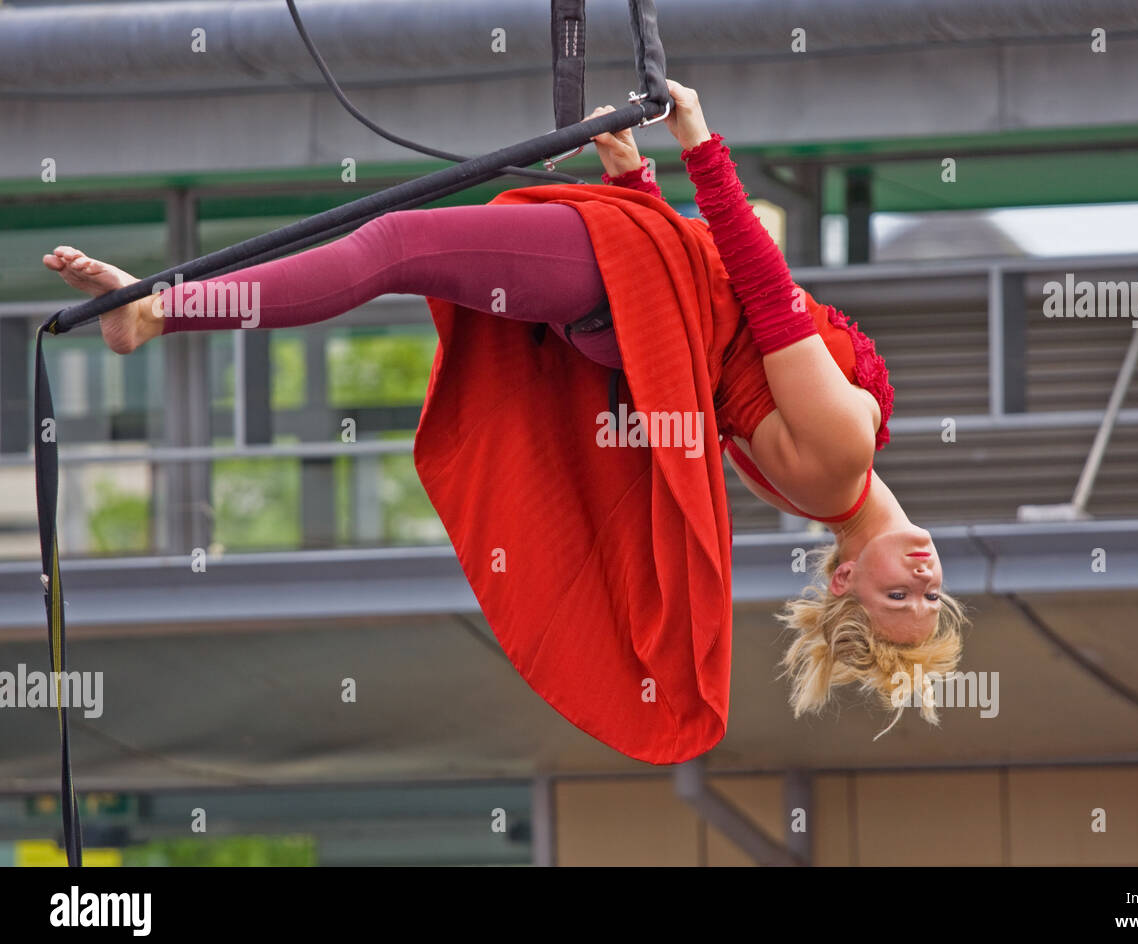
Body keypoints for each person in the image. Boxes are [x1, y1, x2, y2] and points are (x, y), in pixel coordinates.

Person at [43, 79, 967, 759]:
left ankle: (157, 312)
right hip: (642, 282)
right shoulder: (829, 471)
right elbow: (709, 342)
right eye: (931, 597)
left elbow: (762, 296)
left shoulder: (841, 459)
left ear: (846, 579)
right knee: (401, 252)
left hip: (637, 283)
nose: (921, 578)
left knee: (398, 245)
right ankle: (161, 310)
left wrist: (702, 148)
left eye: (898, 598)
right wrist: (640, 184)